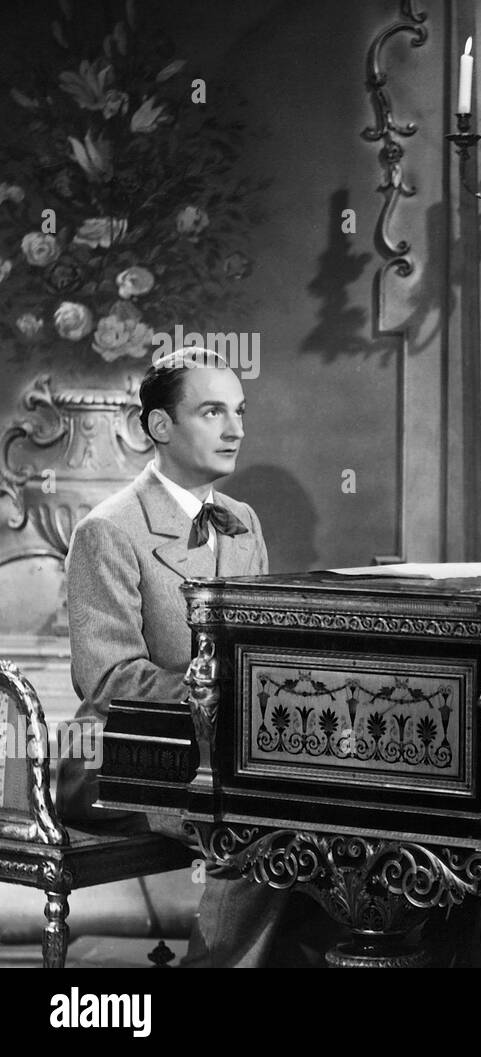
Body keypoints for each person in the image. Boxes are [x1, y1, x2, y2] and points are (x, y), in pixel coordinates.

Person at [58, 347, 337, 966]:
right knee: (259, 820)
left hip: (226, 754)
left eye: (238, 411)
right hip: (121, 757)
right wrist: (227, 693)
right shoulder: (107, 529)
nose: (236, 429)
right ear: (161, 427)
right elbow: (107, 677)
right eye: (212, 412)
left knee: (345, 806)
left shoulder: (241, 520)